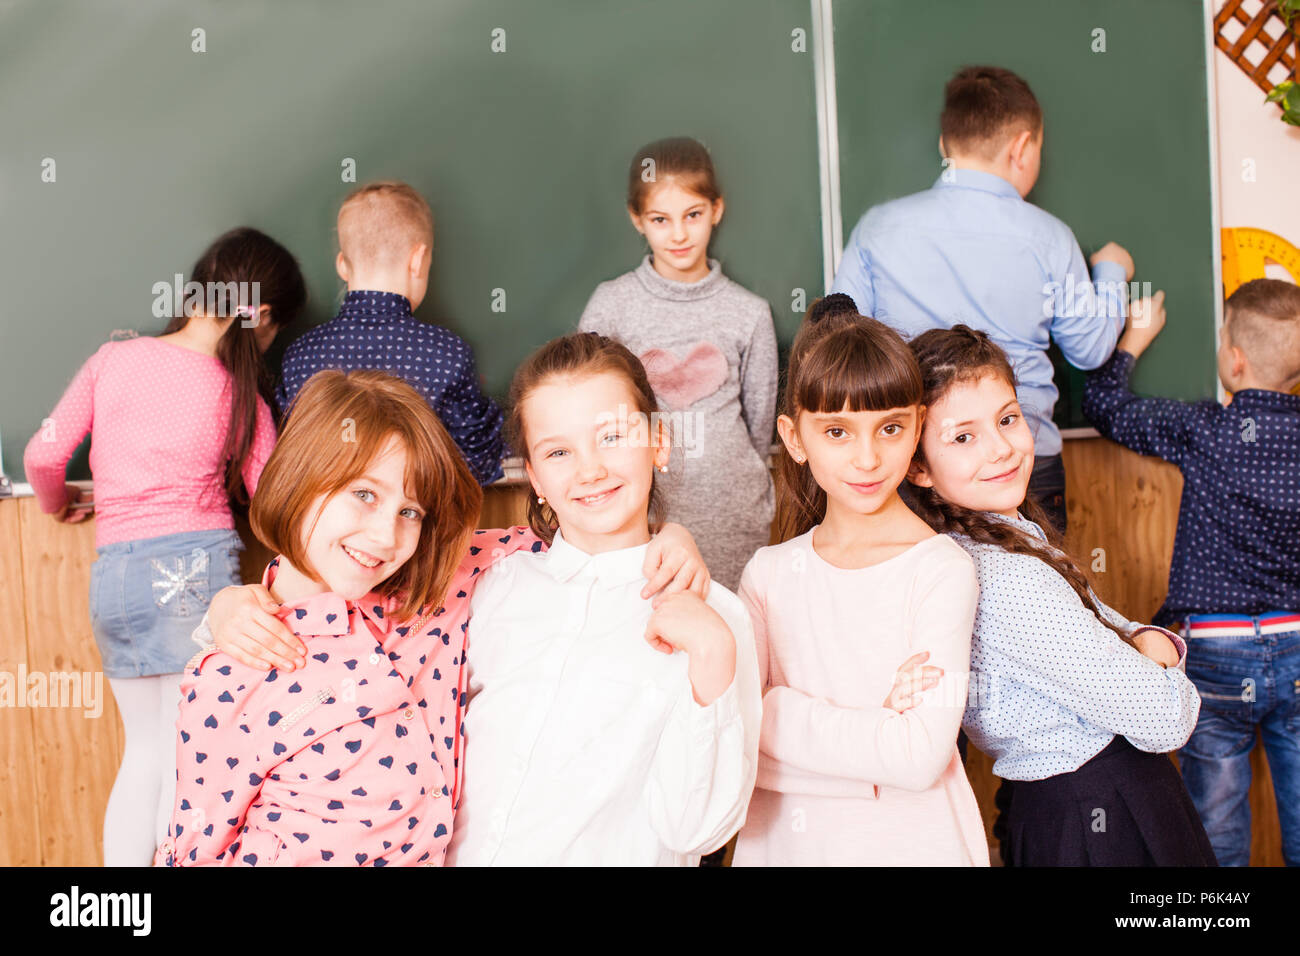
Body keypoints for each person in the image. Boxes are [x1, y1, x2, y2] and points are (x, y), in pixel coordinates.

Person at [23, 227, 306, 865]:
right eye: (272, 331)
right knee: (188, 756)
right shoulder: (242, 397)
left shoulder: (114, 359)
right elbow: (274, 499)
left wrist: (61, 502)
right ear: (259, 316)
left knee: (143, 753)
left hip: (115, 577)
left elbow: (42, 454)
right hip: (193, 575)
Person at [446, 332, 762, 865]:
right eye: (559, 451)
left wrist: (712, 654)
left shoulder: (717, 618)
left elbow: (697, 831)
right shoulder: (492, 585)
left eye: (612, 436)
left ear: (658, 442)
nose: (589, 470)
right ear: (535, 476)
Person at [907, 323, 1215, 866]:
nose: (1001, 448)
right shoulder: (1007, 578)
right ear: (918, 467)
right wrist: (1160, 653)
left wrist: (1139, 639)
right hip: (1102, 810)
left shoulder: (994, 535)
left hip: (1068, 805)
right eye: (963, 436)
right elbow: (1166, 718)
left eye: (1007, 419)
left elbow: (1110, 625)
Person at [831, 65, 1146, 535]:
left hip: (918, 469)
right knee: (1039, 599)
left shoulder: (879, 227)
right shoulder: (1050, 238)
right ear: (1022, 146)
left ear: (945, 147)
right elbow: (1090, 348)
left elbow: (842, 339)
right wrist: (1112, 269)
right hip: (1021, 466)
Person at [731, 295, 987, 866]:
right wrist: (876, 728)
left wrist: (778, 712)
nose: (868, 459)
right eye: (837, 432)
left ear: (918, 425)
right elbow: (735, 734)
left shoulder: (943, 570)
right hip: (787, 848)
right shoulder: (769, 575)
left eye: (890, 428)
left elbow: (920, 757)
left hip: (914, 847)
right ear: (795, 439)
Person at [1083, 277, 1300, 866]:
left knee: (1218, 821)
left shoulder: (1204, 429)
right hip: (1298, 641)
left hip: (1215, 649)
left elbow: (1103, 407)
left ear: (1233, 358)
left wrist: (1134, 339)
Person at [579, 137, 778, 590]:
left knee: (736, 637)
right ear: (637, 219)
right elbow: (587, 410)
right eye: (660, 220)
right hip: (643, 515)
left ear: (716, 209)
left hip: (735, 513)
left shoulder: (749, 312)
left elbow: (759, 423)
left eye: (693, 215)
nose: (680, 234)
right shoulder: (612, 306)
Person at [276, 181, 506, 484]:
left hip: (322, 524)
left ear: (343, 266)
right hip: (419, 522)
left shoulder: (299, 356)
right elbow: (475, 465)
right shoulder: (449, 354)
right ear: (418, 260)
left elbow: (290, 458)